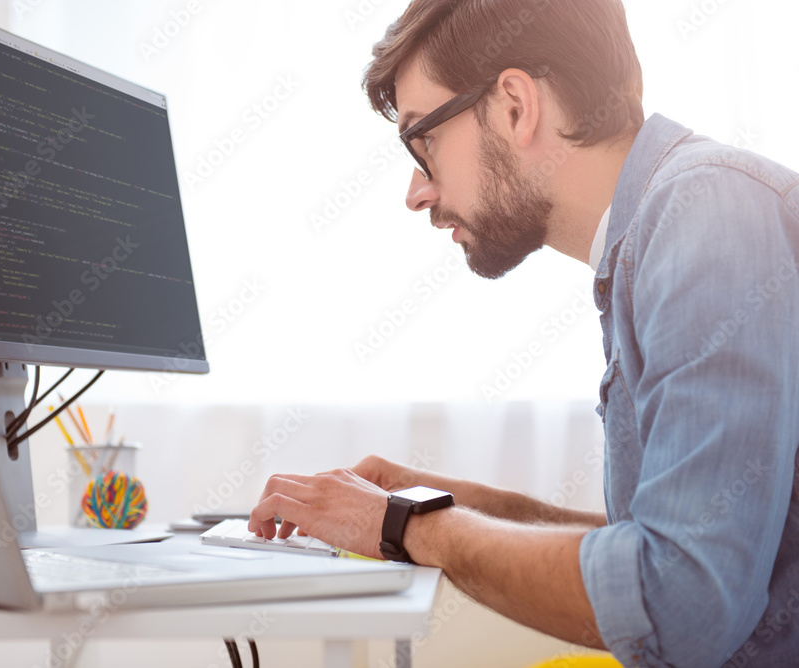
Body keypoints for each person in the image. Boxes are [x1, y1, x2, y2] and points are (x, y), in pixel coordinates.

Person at [248, 0, 799, 665]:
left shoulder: (705, 214)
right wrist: (432, 504)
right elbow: (654, 548)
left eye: (423, 141)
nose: (416, 193)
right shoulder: (655, 235)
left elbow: (678, 602)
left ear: (515, 106)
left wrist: (403, 525)